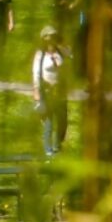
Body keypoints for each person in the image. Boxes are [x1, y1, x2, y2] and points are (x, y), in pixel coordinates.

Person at [31, 27, 66, 155]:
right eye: (49, 37)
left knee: (62, 122)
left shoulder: (60, 52)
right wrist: (37, 93)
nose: (51, 40)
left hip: (60, 92)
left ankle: (57, 147)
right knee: (48, 124)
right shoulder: (40, 55)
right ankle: (48, 151)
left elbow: (67, 68)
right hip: (46, 92)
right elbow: (36, 73)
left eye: (53, 37)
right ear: (44, 39)